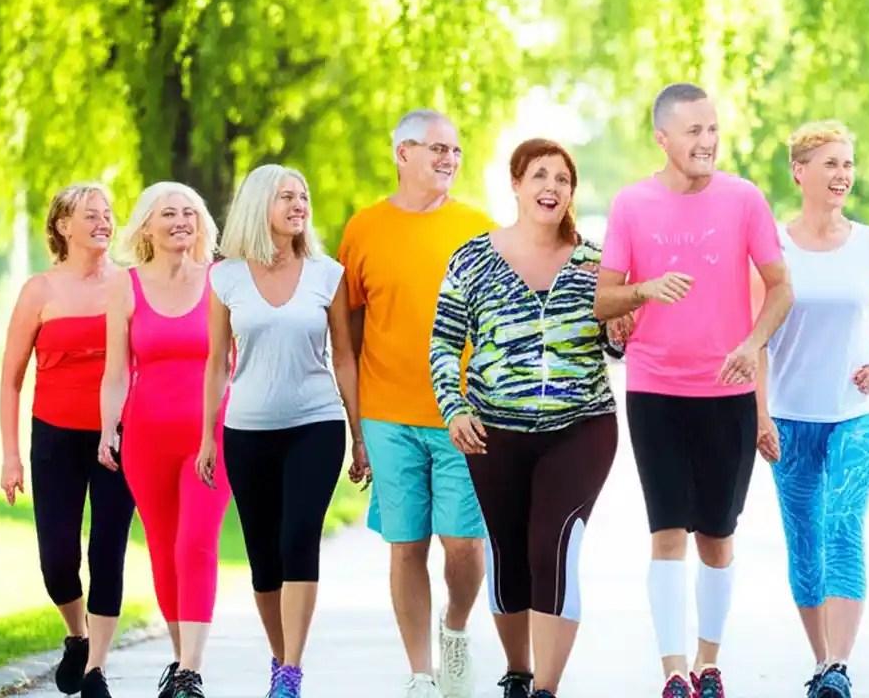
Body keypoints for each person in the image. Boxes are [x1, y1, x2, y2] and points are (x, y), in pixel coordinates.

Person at [594, 82, 793, 698]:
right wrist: (643, 292)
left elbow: (781, 288)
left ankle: (709, 661)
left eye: (712, 129)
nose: (707, 142)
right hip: (655, 392)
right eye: (693, 132)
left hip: (726, 394)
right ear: (663, 138)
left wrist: (751, 344)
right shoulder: (632, 205)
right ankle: (673, 671)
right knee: (666, 532)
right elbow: (603, 301)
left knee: (717, 534)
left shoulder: (744, 200)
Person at [430, 138, 622, 698]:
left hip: (582, 426)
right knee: (509, 552)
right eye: (540, 176)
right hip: (496, 430)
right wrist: (455, 406)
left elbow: (615, 348)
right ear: (515, 184)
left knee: (552, 546)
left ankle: (545, 688)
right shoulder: (472, 259)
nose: (551, 188)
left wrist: (619, 332)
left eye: (562, 179)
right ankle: (518, 672)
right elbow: (444, 343)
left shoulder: (594, 263)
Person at [198, 164, 370, 698]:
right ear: (258, 206)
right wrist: (208, 436)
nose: (299, 205)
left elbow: (344, 357)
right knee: (263, 554)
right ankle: (279, 657)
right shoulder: (225, 277)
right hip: (247, 430)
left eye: (304, 196)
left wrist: (359, 435)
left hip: (315, 425)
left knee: (299, 537)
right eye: (287, 197)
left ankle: (292, 670)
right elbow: (217, 364)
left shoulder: (327, 274)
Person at [337, 109, 492, 698]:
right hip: (387, 413)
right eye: (437, 149)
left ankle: (455, 628)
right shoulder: (364, 229)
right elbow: (348, 332)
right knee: (406, 546)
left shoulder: (479, 228)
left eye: (455, 150)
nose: (448, 160)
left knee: (464, 545)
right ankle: (421, 673)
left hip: (462, 416)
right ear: (402, 153)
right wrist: (357, 426)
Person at [753, 120, 869, 698]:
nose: (842, 175)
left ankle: (839, 664)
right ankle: (821, 664)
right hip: (789, 418)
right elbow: (755, 337)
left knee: (843, 526)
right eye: (831, 164)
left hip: (854, 414)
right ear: (800, 171)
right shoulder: (772, 245)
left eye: (848, 164)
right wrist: (760, 415)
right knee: (804, 541)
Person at [0, 183, 136, 698]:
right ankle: (76, 636)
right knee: (57, 557)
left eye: (108, 214)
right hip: (53, 437)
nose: (104, 221)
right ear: (63, 227)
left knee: (107, 552)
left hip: (118, 437)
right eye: (91, 215)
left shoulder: (127, 286)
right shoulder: (40, 291)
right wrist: (12, 456)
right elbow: (11, 378)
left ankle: (97, 668)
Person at [98, 182, 228, 698]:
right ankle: (181, 664)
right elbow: (115, 373)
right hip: (146, 437)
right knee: (164, 550)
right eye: (168, 213)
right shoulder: (126, 286)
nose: (180, 221)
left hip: (210, 436)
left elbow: (237, 356)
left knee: (196, 543)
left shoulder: (221, 280)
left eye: (189, 213)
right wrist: (109, 427)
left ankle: (192, 671)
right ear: (146, 227)